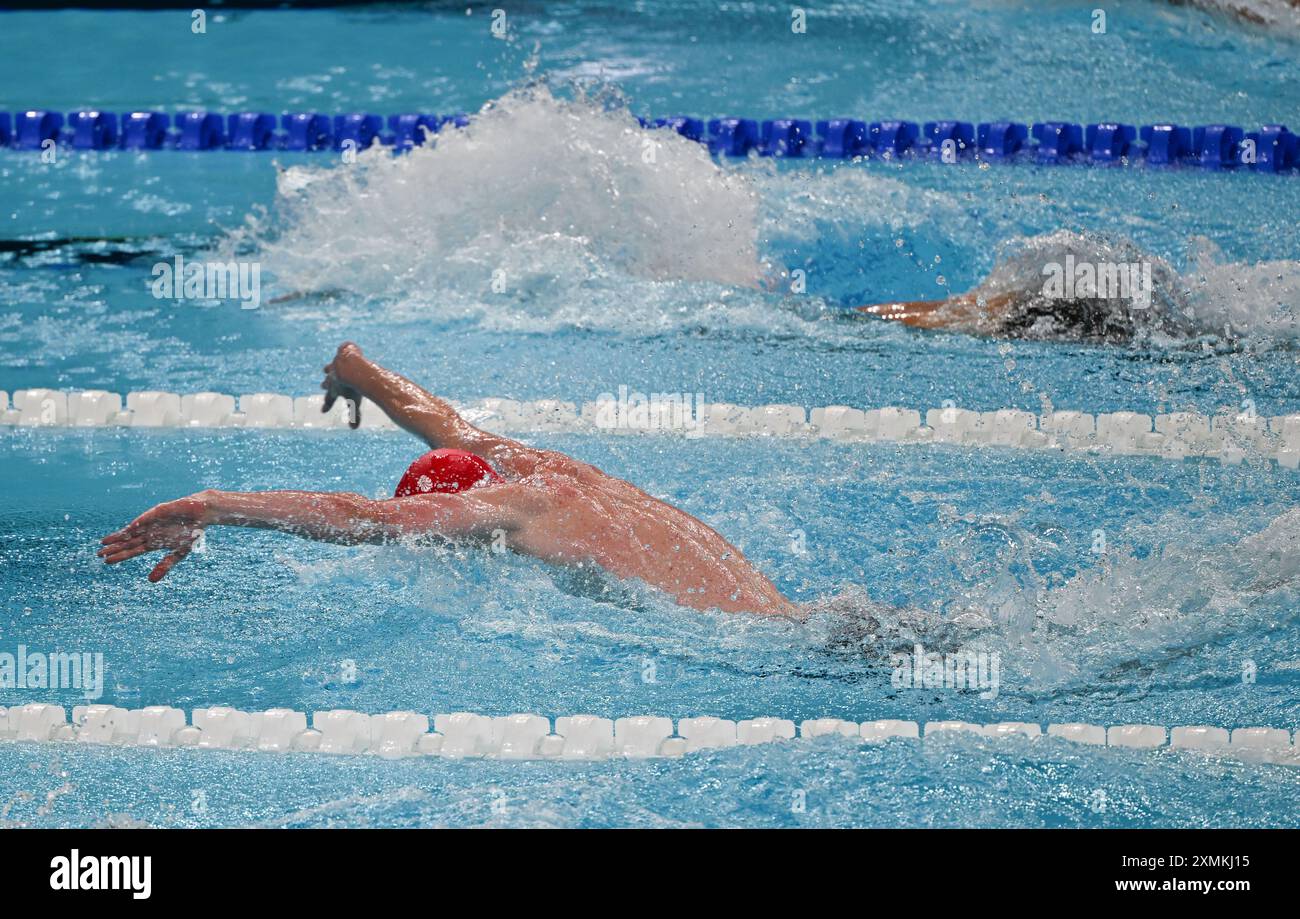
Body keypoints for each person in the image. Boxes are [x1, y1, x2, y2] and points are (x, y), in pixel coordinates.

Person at [98, 343, 798, 618]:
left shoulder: (511, 510)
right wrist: (356, 371)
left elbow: (358, 516)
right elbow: (449, 425)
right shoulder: (548, 470)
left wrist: (211, 505)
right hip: (792, 614)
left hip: (781, 652)